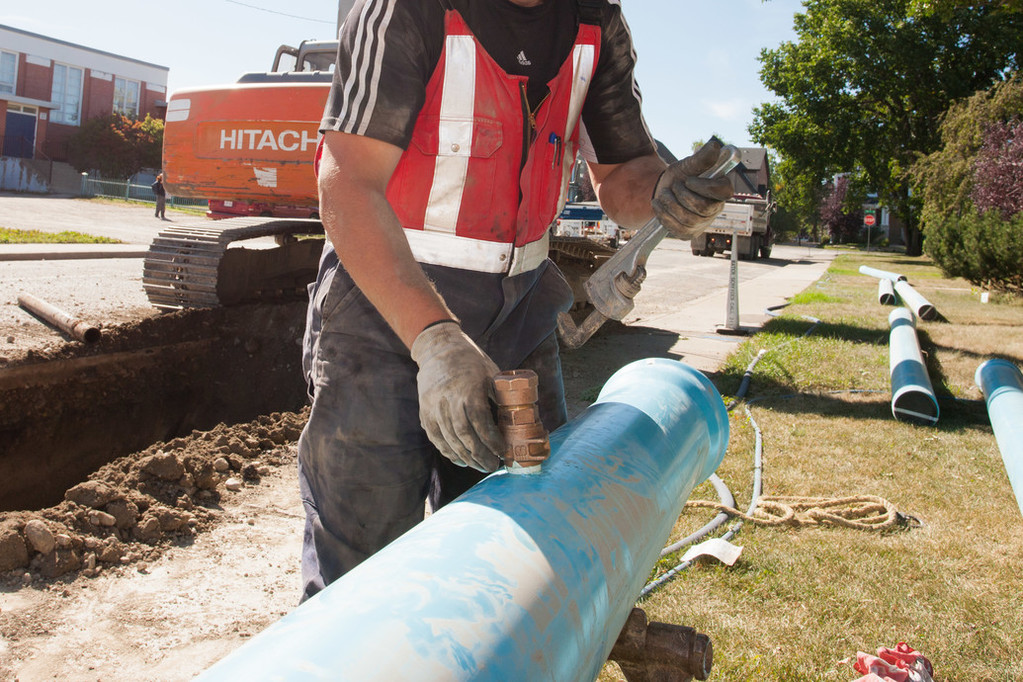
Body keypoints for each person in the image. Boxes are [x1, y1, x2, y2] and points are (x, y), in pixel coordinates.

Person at [298, 0, 733, 600]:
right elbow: (347, 183)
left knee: (520, 549)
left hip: (518, 314)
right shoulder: (408, 8)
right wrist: (436, 339)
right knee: (361, 572)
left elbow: (620, 176)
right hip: (384, 311)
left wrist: (662, 191)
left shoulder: (594, 20)